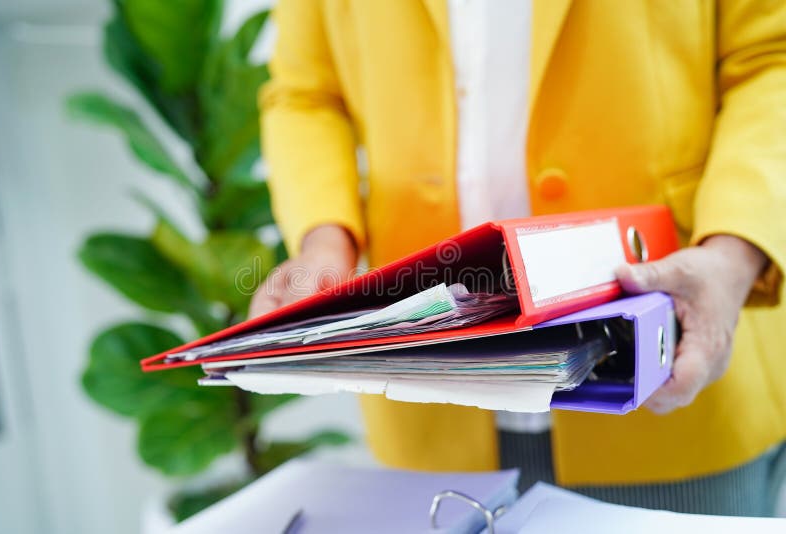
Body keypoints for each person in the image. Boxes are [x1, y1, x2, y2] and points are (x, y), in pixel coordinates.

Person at [250, 0, 786, 516]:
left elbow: (771, 59)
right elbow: (306, 93)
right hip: (432, 398)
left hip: (674, 370)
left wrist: (734, 253)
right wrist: (325, 237)